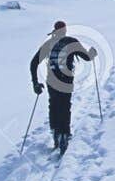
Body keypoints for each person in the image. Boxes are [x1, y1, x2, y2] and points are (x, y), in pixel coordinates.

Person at [30, 20, 97, 155]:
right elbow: (87, 57)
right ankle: (64, 134)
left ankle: (55, 132)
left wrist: (35, 83)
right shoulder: (71, 41)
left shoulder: (48, 44)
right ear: (65, 30)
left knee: (54, 105)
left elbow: (33, 63)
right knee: (65, 106)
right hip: (66, 81)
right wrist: (92, 53)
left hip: (52, 81)